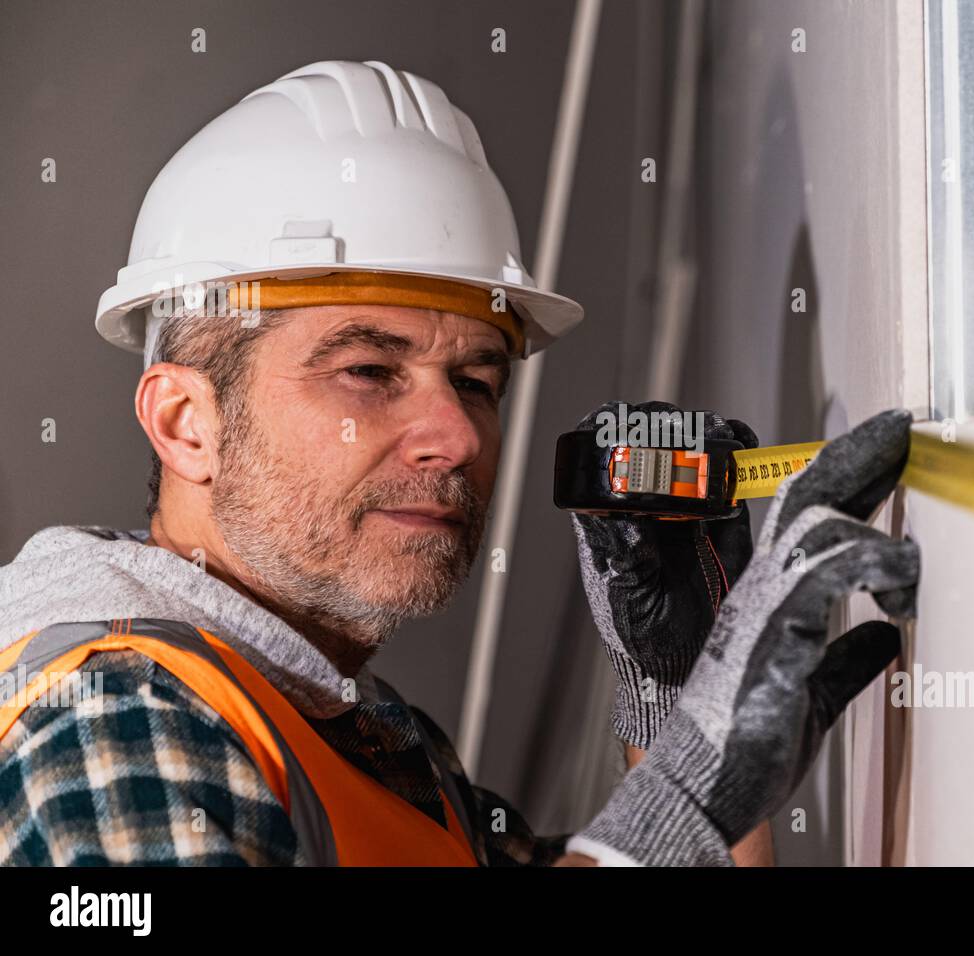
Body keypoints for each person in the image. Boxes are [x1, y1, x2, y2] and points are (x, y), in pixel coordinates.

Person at [0, 61, 919, 867]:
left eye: (476, 380)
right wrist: (685, 799)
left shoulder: (371, 741)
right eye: (368, 371)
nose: (460, 436)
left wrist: (673, 704)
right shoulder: (112, 715)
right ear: (186, 421)